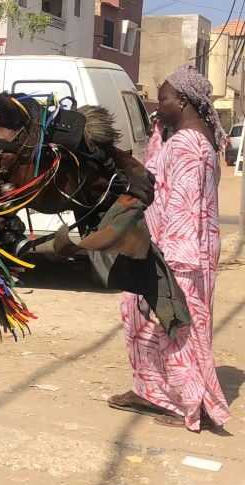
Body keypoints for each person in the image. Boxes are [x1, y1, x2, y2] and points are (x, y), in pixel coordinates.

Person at [99, 66, 231, 432]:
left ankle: (187, 403)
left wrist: (170, 262)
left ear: (184, 102)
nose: (159, 104)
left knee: (175, 325)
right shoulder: (180, 136)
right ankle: (151, 390)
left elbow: (187, 207)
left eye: (166, 97)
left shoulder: (191, 144)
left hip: (178, 253)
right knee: (138, 315)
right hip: (157, 247)